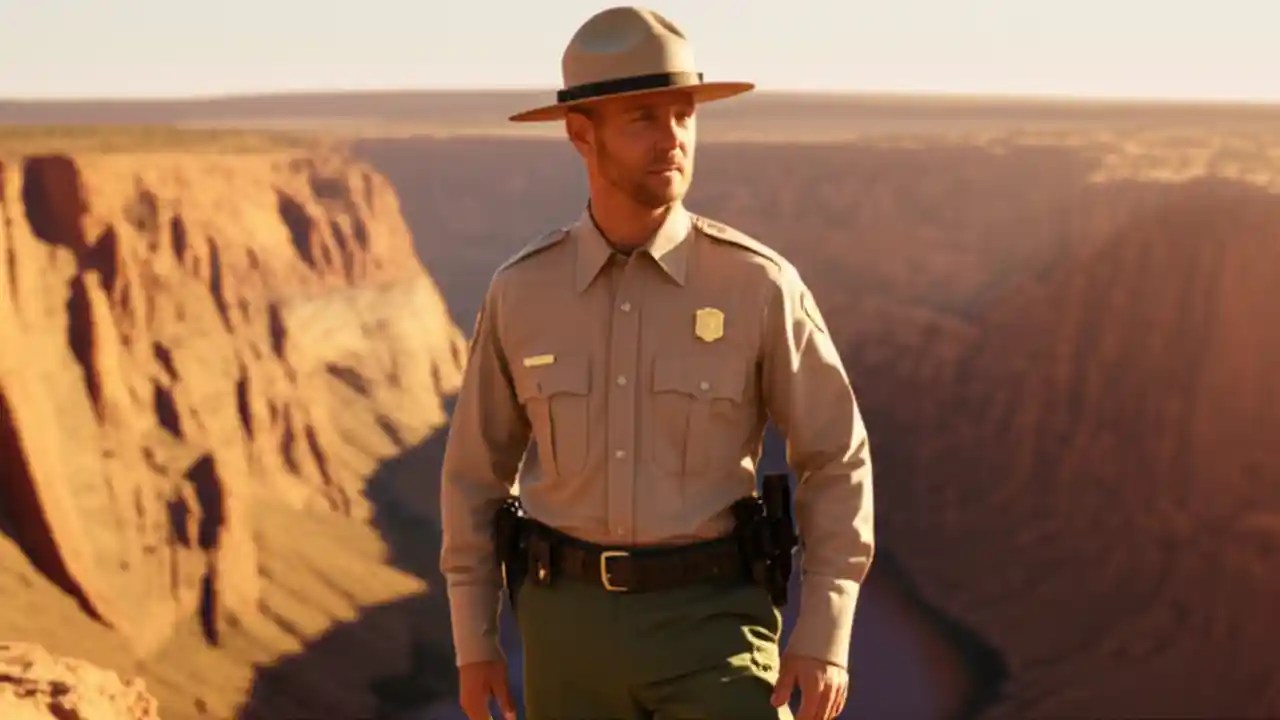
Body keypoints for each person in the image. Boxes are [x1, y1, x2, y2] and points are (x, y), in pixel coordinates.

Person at [439, 6, 875, 720]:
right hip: (564, 635)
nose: (673, 138)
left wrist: (825, 630)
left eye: (684, 115)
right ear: (582, 134)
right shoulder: (521, 291)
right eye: (643, 117)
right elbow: (475, 474)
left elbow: (836, 456)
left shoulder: (758, 285)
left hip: (714, 629)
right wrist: (474, 641)